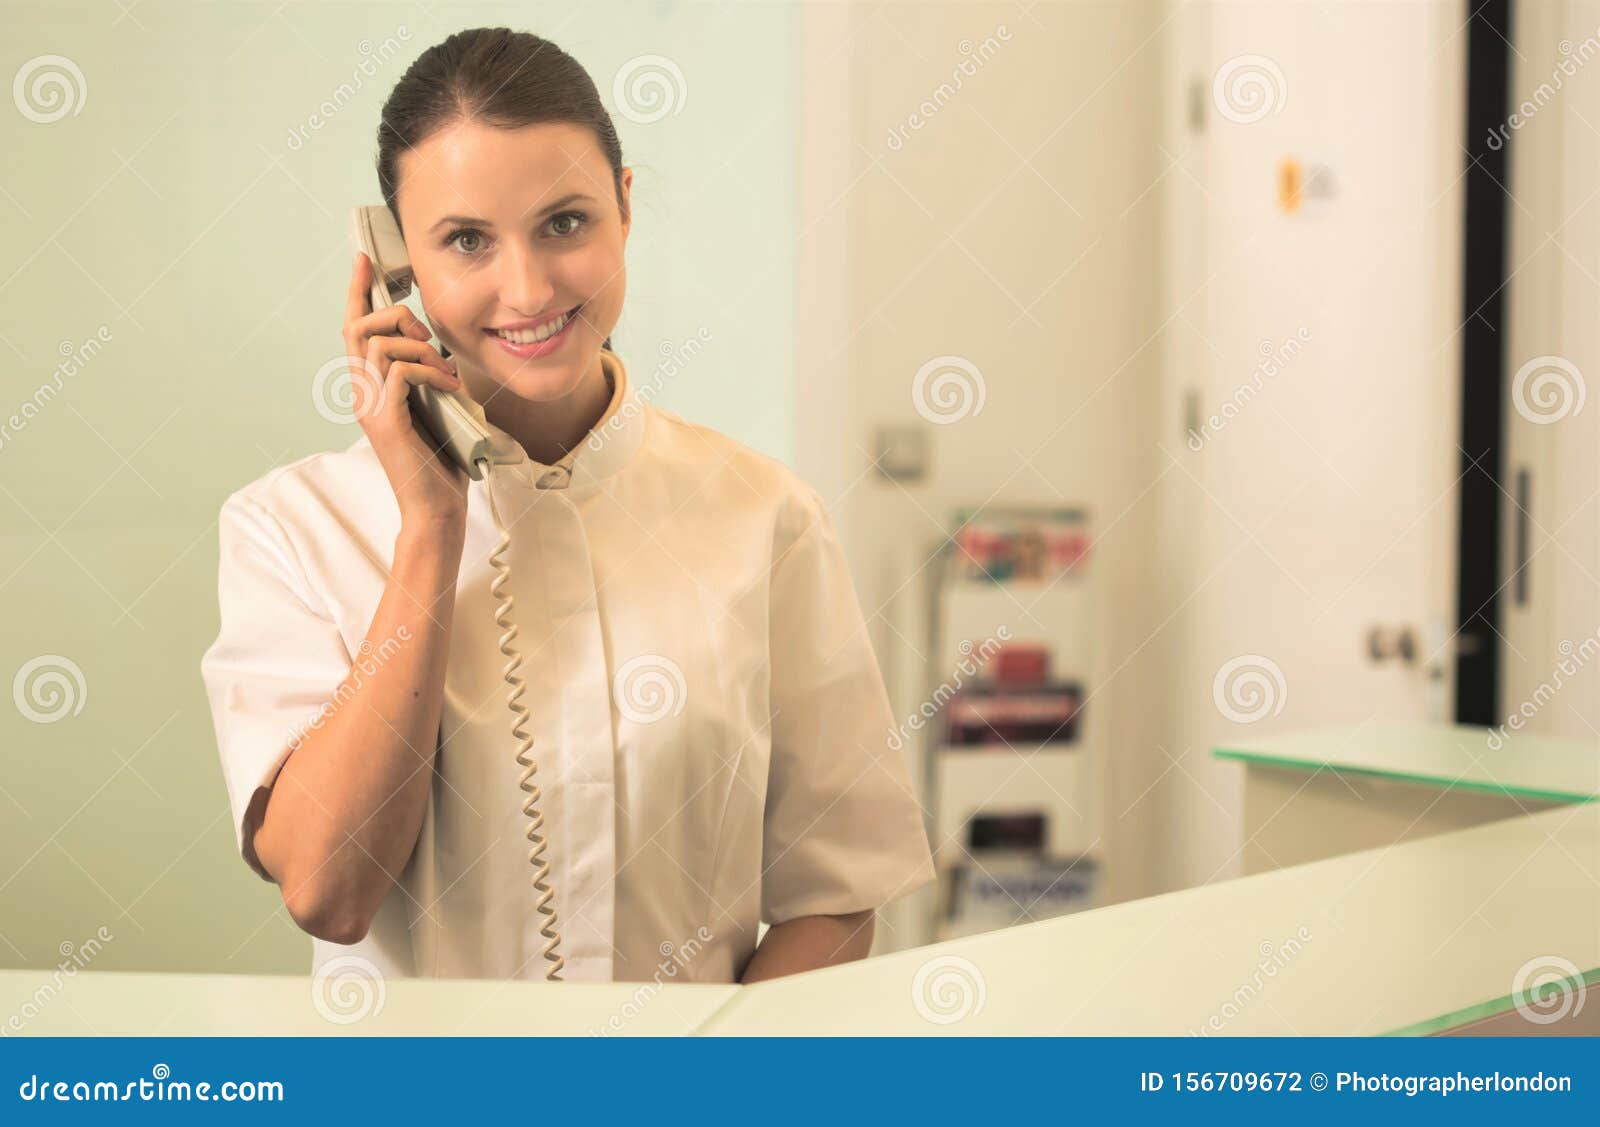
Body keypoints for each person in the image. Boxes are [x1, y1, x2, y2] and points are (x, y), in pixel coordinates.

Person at [199, 26, 935, 984]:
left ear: (625, 210)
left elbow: (834, 897)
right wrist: (430, 529)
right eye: (467, 240)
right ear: (394, 264)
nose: (530, 288)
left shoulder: (768, 518)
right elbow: (329, 893)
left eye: (565, 223)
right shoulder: (291, 529)